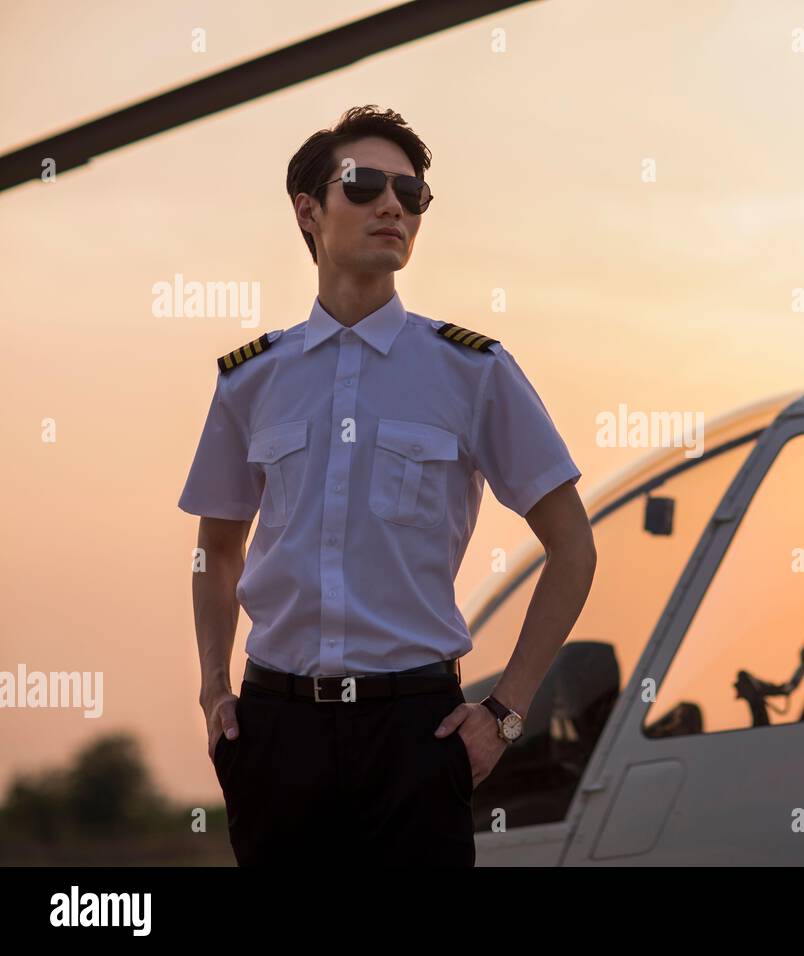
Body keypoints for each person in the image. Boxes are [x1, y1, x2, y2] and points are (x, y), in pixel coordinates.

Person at [178, 105, 597, 866]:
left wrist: (505, 715)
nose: (393, 205)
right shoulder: (251, 381)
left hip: (417, 740)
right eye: (365, 184)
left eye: (412, 193)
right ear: (308, 210)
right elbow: (216, 549)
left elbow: (572, 545)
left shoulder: (474, 371)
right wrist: (214, 693)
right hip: (276, 735)